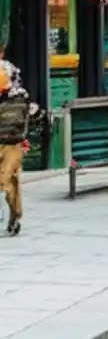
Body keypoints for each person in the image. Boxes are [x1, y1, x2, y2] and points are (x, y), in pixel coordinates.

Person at [0, 49, 33, 235]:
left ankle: (14, 216)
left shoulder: (10, 73)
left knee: (8, 180)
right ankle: (14, 216)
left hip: (11, 141)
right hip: (12, 140)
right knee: (8, 180)